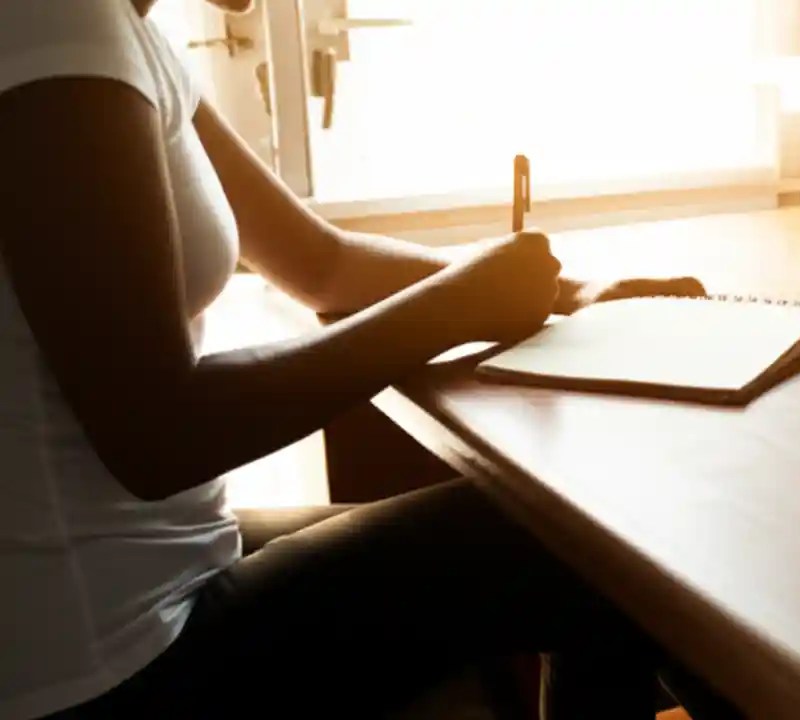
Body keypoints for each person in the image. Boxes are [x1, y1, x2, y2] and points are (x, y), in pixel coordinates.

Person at [0, 0, 710, 718]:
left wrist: (568, 294)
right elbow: (158, 433)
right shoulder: (56, 26)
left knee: (528, 539)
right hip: (107, 668)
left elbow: (321, 263)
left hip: (153, 572)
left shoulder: (129, 35)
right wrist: (457, 307)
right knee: (592, 553)